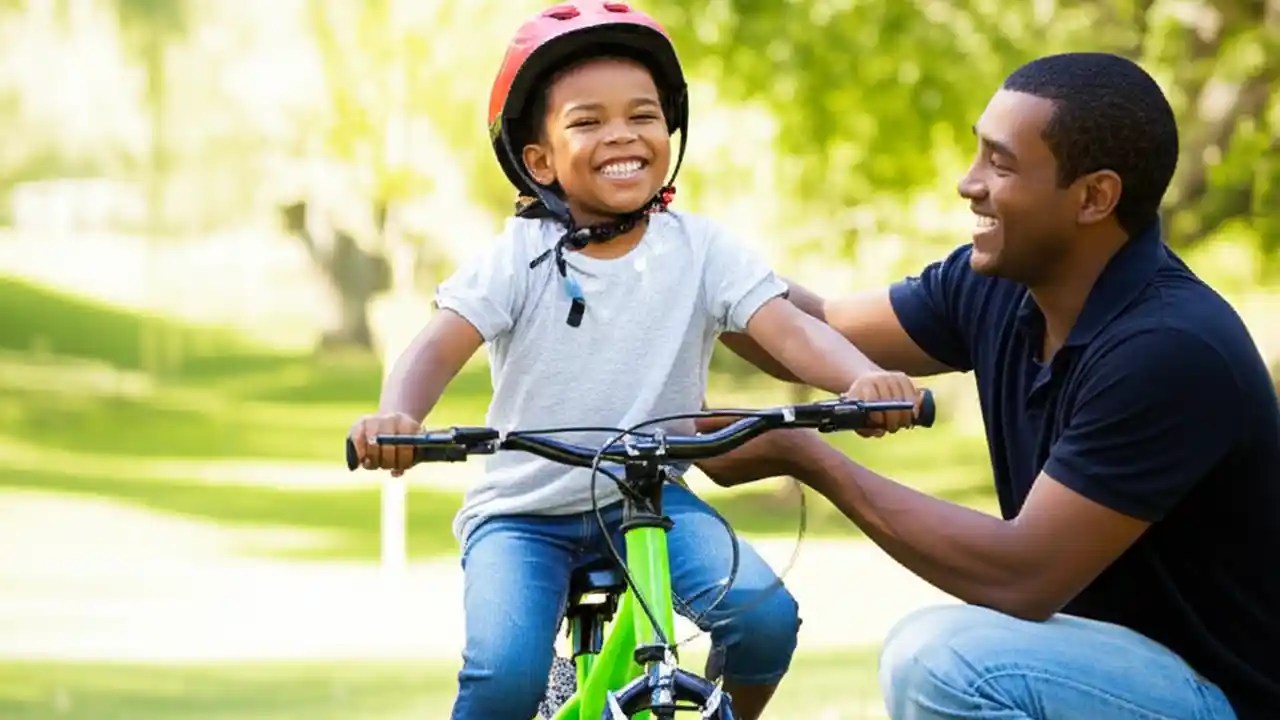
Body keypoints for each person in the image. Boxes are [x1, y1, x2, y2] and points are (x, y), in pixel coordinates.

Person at [345, 2, 919, 718]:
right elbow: (437, 344)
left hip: (643, 501)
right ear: (540, 160)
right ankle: (551, 686)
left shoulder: (702, 250)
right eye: (587, 121)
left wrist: (860, 379)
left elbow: (791, 331)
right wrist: (399, 414)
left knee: (765, 622)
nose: (622, 134)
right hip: (524, 515)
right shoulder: (517, 258)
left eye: (642, 116)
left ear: (669, 133)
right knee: (502, 680)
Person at [711, 52, 1280, 719]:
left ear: (1094, 197)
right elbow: (816, 329)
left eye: (1000, 163)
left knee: (943, 659)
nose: (967, 183)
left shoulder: (1171, 349)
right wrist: (673, 255)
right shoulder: (994, 288)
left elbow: (1023, 576)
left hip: (1221, 697)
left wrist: (804, 455)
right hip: (1098, 670)